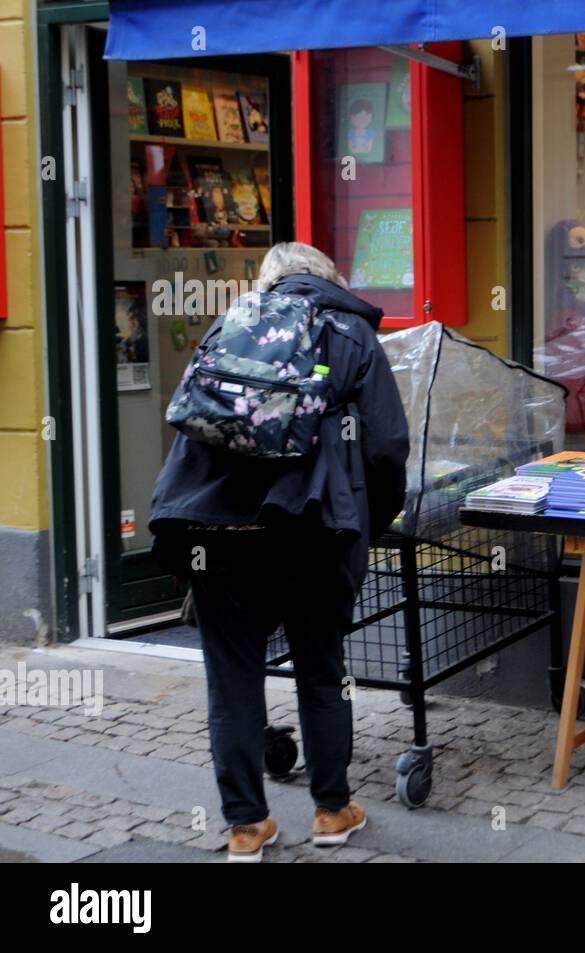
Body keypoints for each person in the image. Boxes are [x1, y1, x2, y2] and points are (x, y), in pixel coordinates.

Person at [150, 242, 409, 862]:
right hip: (310, 532)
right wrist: (367, 523)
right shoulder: (349, 333)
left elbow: (192, 425)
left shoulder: (231, 323)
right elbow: (385, 448)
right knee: (322, 671)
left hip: (215, 531)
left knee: (231, 679)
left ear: (268, 281)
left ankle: (245, 826)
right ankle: (330, 810)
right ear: (328, 279)